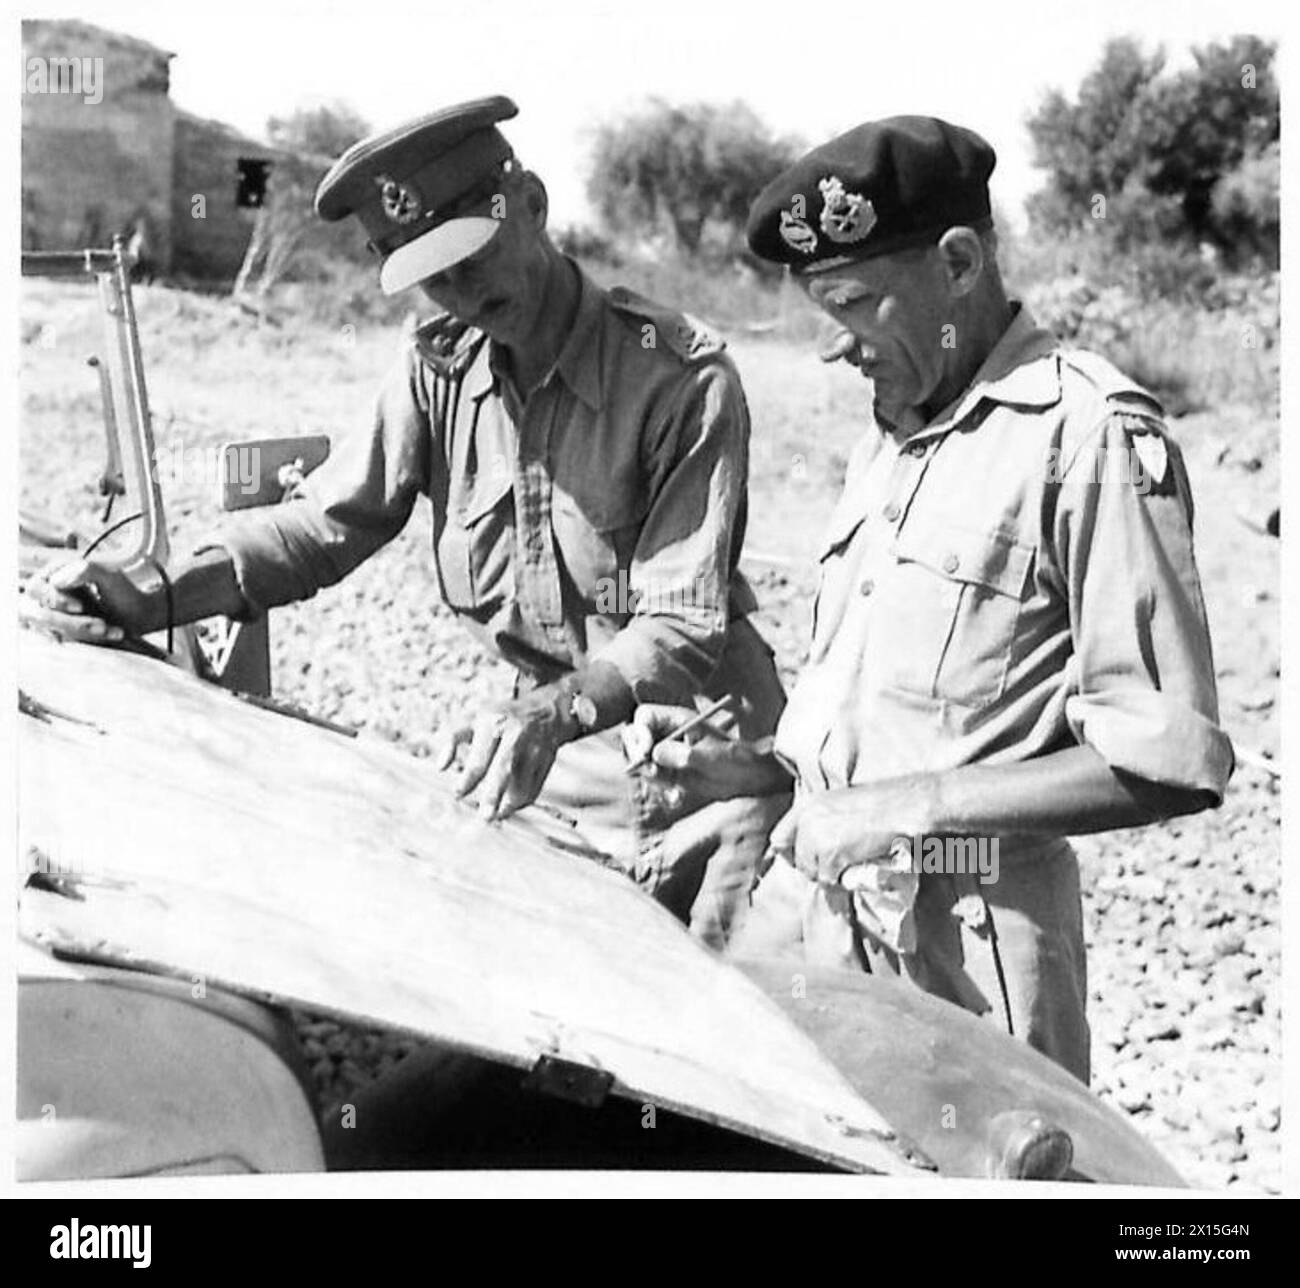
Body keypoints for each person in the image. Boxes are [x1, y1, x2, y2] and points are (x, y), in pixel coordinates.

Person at [22, 96, 788, 948]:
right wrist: (148, 595)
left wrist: (555, 712)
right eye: (431, 275)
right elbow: (323, 526)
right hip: (553, 778)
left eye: (471, 257)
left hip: (704, 784)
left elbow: (680, 624)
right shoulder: (439, 372)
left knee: (722, 1056)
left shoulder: (679, 378)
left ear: (530, 206)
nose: (459, 293)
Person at [625, 116, 1233, 1081]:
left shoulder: (1090, 436)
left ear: (957, 263)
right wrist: (760, 773)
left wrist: (918, 805)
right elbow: (896, 707)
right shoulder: (896, 427)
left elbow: (1171, 759)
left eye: (857, 306)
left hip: (966, 947)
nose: (841, 348)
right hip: (817, 912)